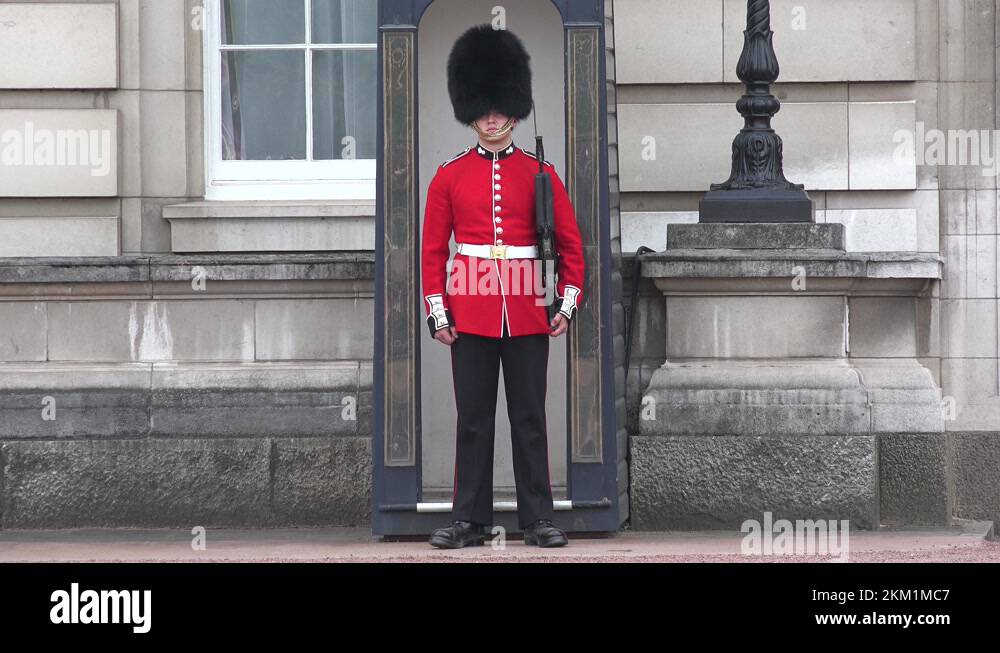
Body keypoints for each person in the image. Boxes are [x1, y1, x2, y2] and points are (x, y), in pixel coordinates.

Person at [421, 23, 585, 548]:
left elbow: (571, 247)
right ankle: (468, 519)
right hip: (470, 306)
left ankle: (537, 518)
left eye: (499, 108)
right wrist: (438, 311)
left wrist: (566, 302)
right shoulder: (448, 176)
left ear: (513, 109)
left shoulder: (542, 173)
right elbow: (432, 253)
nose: (491, 118)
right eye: (483, 109)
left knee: (529, 417)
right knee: (472, 420)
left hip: (529, 304)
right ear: (471, 111)